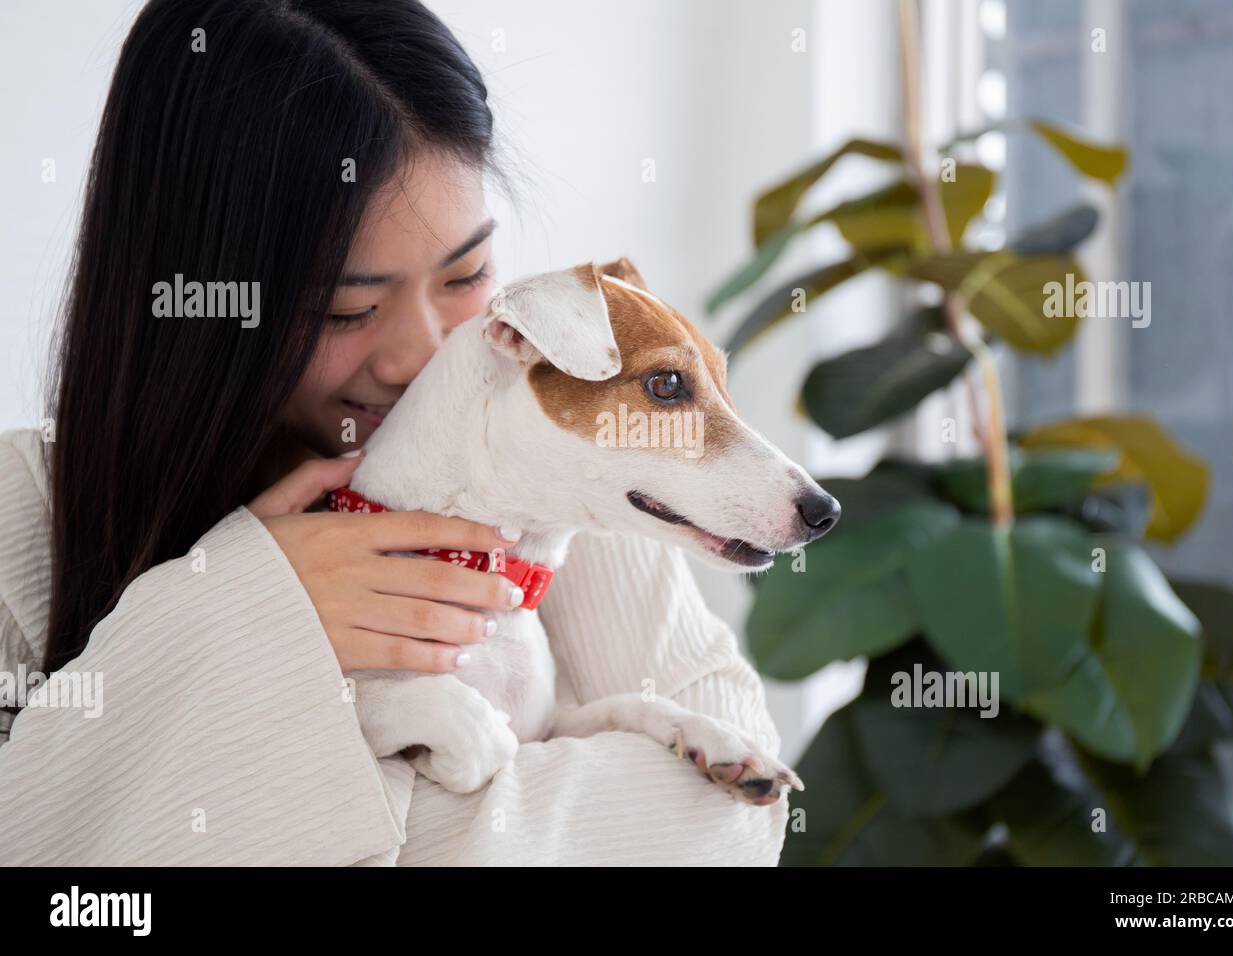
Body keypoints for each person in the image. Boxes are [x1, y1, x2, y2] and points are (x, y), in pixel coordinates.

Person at [0, 0, 787, 865]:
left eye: (470, 273)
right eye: (348, 309)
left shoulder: (573, 472)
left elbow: (730, 827)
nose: (426, 352)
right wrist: (235, 611)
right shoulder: (22, 520)